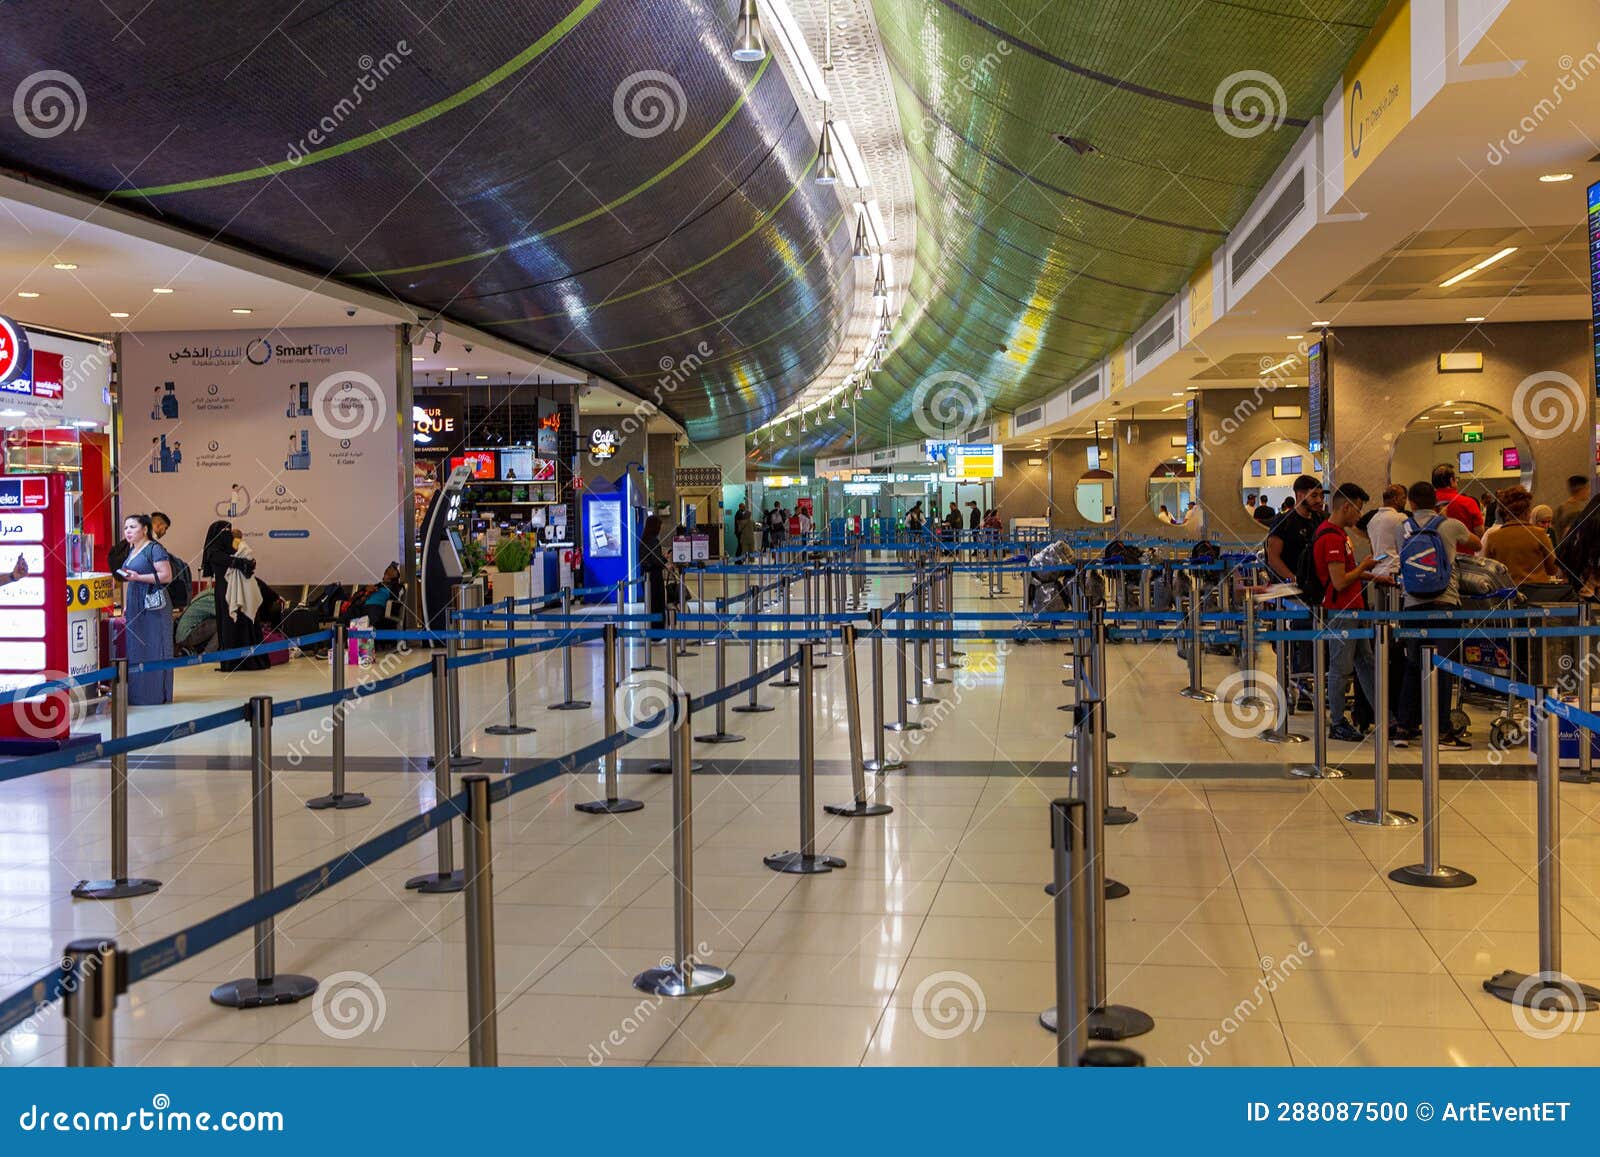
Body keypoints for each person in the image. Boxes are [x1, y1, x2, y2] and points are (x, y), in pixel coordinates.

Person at [1395, 481, 1481, 749]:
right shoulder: (1450, 525)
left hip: (1411, 603)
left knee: (1412, 665)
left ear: (1410, 503)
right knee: (1443, 667)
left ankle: (1404, 728)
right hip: (1445, 601)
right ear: (1437, 502)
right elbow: (1477, 544)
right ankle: (1443, 731)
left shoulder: (1403, 529)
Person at [1315, 483, 1384, 742]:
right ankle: (1337, 722)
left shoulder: (1340, 534)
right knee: (1341, 668)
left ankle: (1382, 715)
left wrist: (1369, 574)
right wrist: (1364, 566)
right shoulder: (1331, 537)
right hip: (1341, 611)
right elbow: (1340, 581)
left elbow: (1347, 576)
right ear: (1346, 506)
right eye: (1358, 510)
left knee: (1366, 663)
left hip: (1354, 609)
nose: (1358, 516)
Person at [116, 514, 174, 705]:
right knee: (136, 647)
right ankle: (138, 694)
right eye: (126, 528)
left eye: (132, 527)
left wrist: (138, 577)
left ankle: (156, 694)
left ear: (145, 530)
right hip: (135, 602)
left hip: (153, 604)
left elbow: (165, 576)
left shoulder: (154, 549)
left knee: (154, 646)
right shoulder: (132, 550)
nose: (128, 531)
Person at [202, 520, 268, 671]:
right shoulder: (213, 551)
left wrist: (246, 562)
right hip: (225, 593)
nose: (227, 534)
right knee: (229, 626)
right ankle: (232, 662)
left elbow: (247, 562)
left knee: (245, 622)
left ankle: (250, 660)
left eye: (229, 530)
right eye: (224, 531)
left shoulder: (234, 548)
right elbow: (235, 562)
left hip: (242, 592)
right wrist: (245, 563)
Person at [1484, 486, 1560, 585]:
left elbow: (1489, 572)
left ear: (1503, 512)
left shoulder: (1493, 537)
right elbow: (1552, 570)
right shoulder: (1539, 534)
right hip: (1537, 592)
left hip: (1507, 593)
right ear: (1528, 511)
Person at [1265, 475, 1325, 583]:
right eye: (1314, 495)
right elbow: (1273, 558)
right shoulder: (1283, 521)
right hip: (1290, 589)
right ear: (1300, 495)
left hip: (1315, 586)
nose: (1319, 500)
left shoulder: (1321, 519)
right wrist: (1294, 579)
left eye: (1321, 496)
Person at [1432, 463, 1483, 555]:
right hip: (1463, 560)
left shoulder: (1427, 503)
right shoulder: (1468, 502)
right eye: (1456, 479)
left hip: (1434, 558)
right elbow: (1479, 533)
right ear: (1451, 480)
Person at [1364, 484, 1408, 581]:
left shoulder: (1372, 520)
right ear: (1396, 499)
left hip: (1377, 574)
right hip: (1394, 573)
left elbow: (1373, 549)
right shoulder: (1401, 518)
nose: (1405, 501)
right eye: (1404, 498)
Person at [639, 512, 668, 625]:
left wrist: (663, 559)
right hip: (655, 578)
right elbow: (656, 561)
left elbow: (648, 559)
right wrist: (665, 562)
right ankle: (658, 632)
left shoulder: (643, 539)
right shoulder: (654, 541)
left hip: (646, 577)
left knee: (650, 604)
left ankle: (651, 632)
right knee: (657, 604)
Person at [1552, 474, 1590, 551]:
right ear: (1582, 489)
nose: (1589, 491)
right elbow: (1569, 535)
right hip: (1571, 555)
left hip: (1560, 552)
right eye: (1588, 488)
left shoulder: (1560, 508)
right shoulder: (1577, 511)